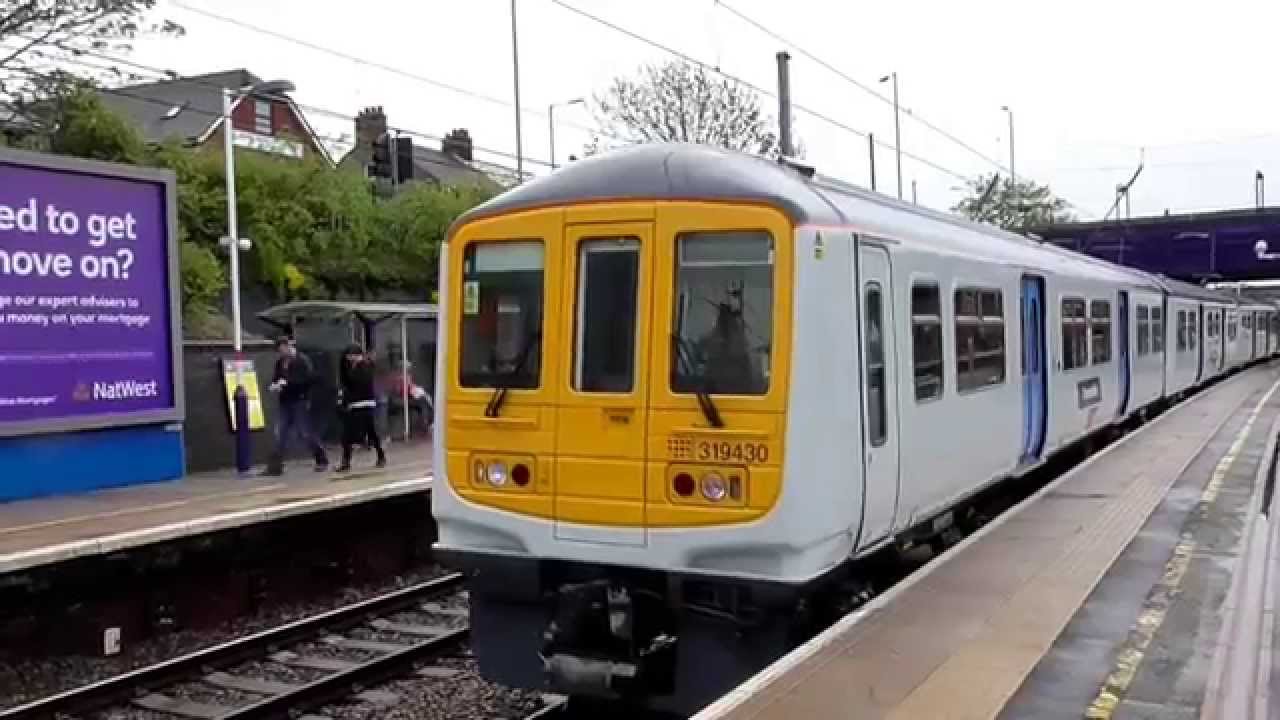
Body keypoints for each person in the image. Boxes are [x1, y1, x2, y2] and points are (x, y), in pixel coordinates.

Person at [264, 337, 328, 475]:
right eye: (279, 351)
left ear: (288, 346)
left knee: (305, 433)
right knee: (280, 433)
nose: (281, 353)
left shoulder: (302, 361)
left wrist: (287, 383)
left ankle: (321, 459)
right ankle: (275, 467)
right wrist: (276, 385)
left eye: (282, 349)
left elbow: (307, 380)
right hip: (285, 401)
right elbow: (276, 377)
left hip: (299, 400)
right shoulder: (280, 363)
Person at [337, 344, 385, 472]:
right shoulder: (348, 367)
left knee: (371, 432)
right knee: (347, 435)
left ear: (358, 355)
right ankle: (345, 462)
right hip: (353, 405)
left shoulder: (366, 366)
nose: (350, 358)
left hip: (365, 404)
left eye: (352, 355)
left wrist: (357, 365)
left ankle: (381, 455)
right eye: (348, 356)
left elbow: (361, 382)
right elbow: (345, 383)